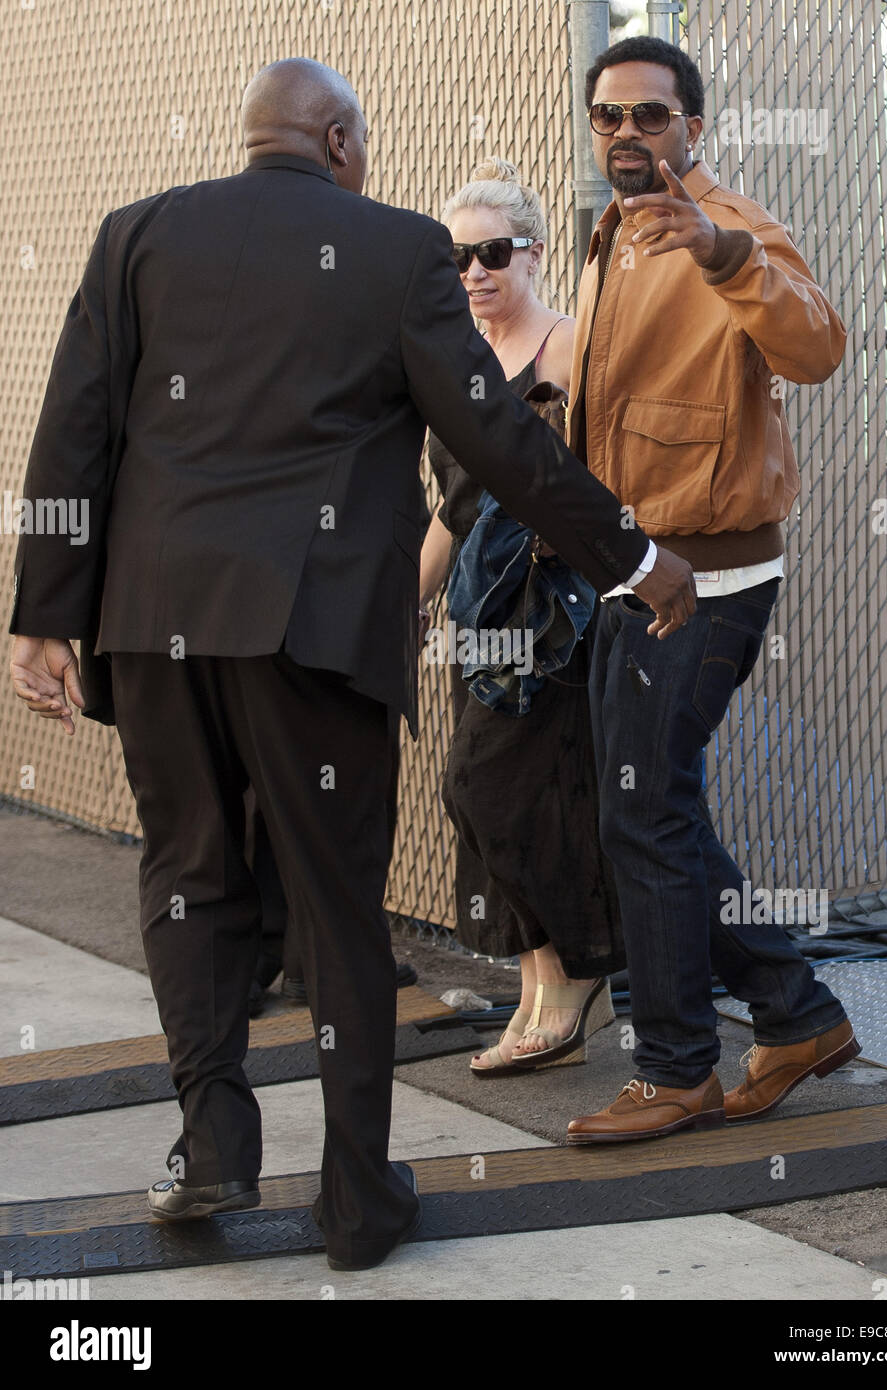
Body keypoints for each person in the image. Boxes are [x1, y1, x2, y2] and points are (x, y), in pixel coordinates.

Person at [8, 58, 694, 1266]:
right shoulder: (391, 251)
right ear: (335, 139)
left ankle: (213, 1146)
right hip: (312, 633)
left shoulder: (137, 236)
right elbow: (493, 438)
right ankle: (355, 1198)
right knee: (334, 904)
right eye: (361, 144)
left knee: (189, 874)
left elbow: (73, 427)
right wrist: (632, 559)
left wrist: (41, 615)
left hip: (154, 623)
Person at [564, 37, 860, 1145]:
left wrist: (727, 254)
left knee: (643, 811)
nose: (627, 134)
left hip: (710, 572)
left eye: (649, 115)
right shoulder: (610, 234)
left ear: (692, 125)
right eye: (608, 118)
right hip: (634, 570)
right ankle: (793, 1016)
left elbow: (817, 344)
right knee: (651, 807)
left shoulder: (721, 222)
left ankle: (678, 1066)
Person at [421, 159, 624, 1076]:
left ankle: (582, 975)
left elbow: (607, 488)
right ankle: (548, 982)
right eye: (456, 257)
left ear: (533, 253)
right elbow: (449, 508)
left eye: (491, 253)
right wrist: (404, 604)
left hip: (558, 624)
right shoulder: (451, 363)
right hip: (482, 620)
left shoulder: (573, 350)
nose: (472, 272)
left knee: (493, 787)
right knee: (484, 804)